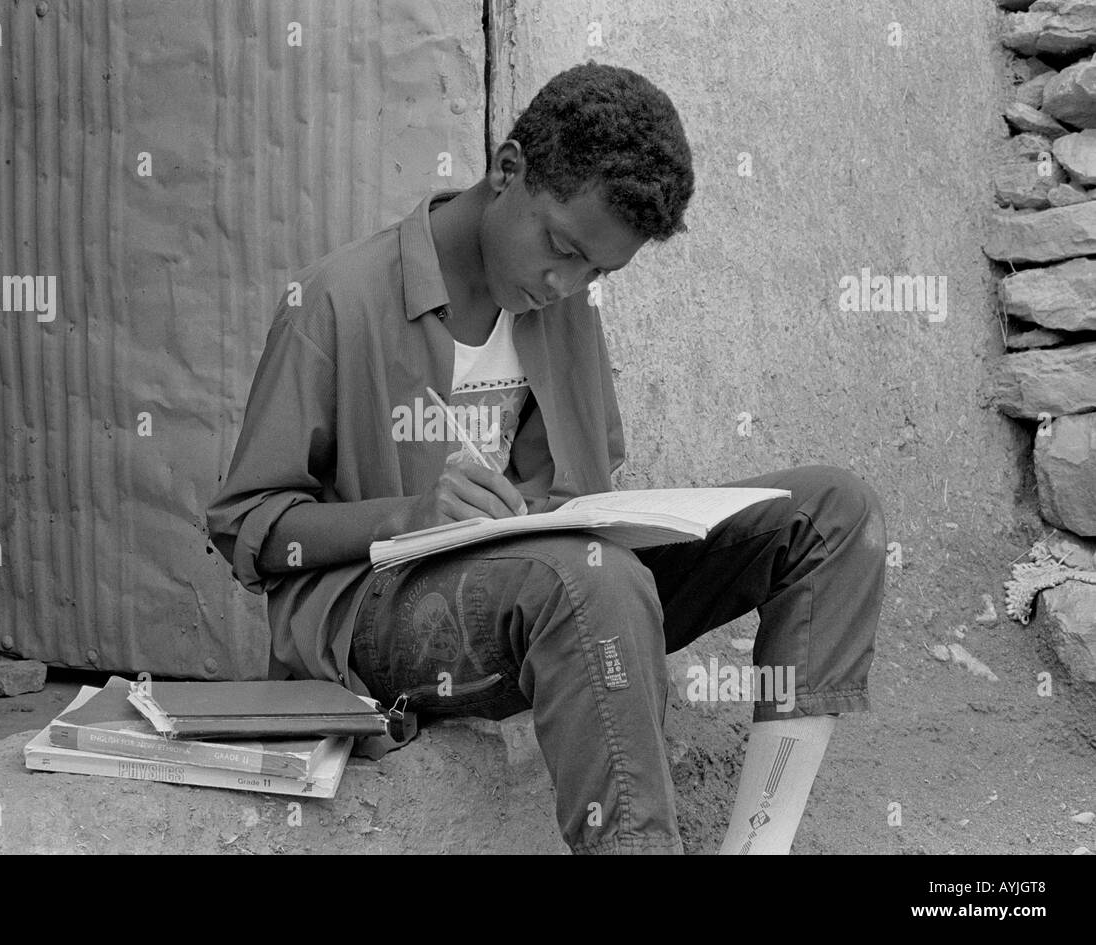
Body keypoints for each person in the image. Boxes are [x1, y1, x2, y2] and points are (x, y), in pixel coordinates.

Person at [206, 61, 885, 854]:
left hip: (547, 590)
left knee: (835, 509)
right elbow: (247, 529)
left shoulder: (560, 306)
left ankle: (758, 846)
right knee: (589, 577)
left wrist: (580, 514)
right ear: (508, 169)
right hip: (379, 617)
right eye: (562, 248)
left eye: (599, 271)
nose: (568, 282)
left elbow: (581, 492)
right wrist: (411, 515)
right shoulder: (337, 300)